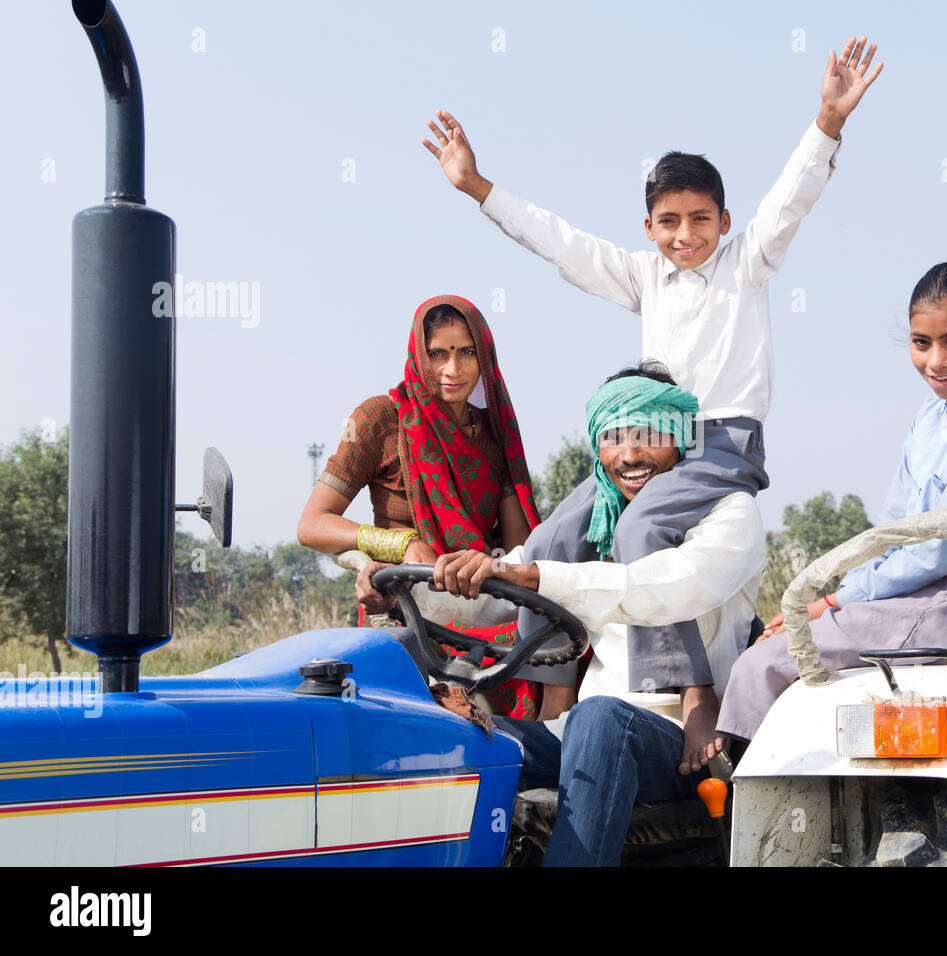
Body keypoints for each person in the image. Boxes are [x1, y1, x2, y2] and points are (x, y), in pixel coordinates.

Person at [420, 34, 884, 717]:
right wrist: (479, 189)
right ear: (649, 227)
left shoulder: (745, 266)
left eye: (701, 220)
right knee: (550, 540)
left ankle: (689, 691)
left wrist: (828, 123)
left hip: (720, 448)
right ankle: (551, 697)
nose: (685, 234)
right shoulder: (647, 278)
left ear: (725, 222)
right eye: (669, 222)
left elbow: (789, 200)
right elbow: (562, 244)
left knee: (639, 533)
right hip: (651, 444)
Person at [419, 363, 766, 866]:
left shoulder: (730, 514)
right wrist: (414, 583)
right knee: (442, 730)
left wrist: (542, 577)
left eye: (648, 434)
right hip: (579, 739)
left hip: (683, 743)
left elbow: (670, 586)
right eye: (613, 438)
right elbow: (498, 589)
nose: (629, 455)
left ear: (682, 439)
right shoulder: (591, 522)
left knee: (600, 718)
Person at [717, 263, 947, 741]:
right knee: (766, 647)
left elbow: (943, 548)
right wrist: (841, 599)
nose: (936, 360)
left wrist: (836, 601)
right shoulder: (930, 418)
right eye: (922, 343)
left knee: (771, 661)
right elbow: (890, 528)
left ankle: (734, 803)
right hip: (924, 589)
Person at [297, 294, 543, 718]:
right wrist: (402, 543)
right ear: (418, 354)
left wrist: (489, 568)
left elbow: (519, 551)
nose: (453, 369)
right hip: (402, 610)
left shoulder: (494, 434)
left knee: (565, 647)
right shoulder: (379, 418)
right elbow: (312, 524)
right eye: (438, 354)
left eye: (466, 352)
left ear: (484, 356)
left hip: (479, 605)